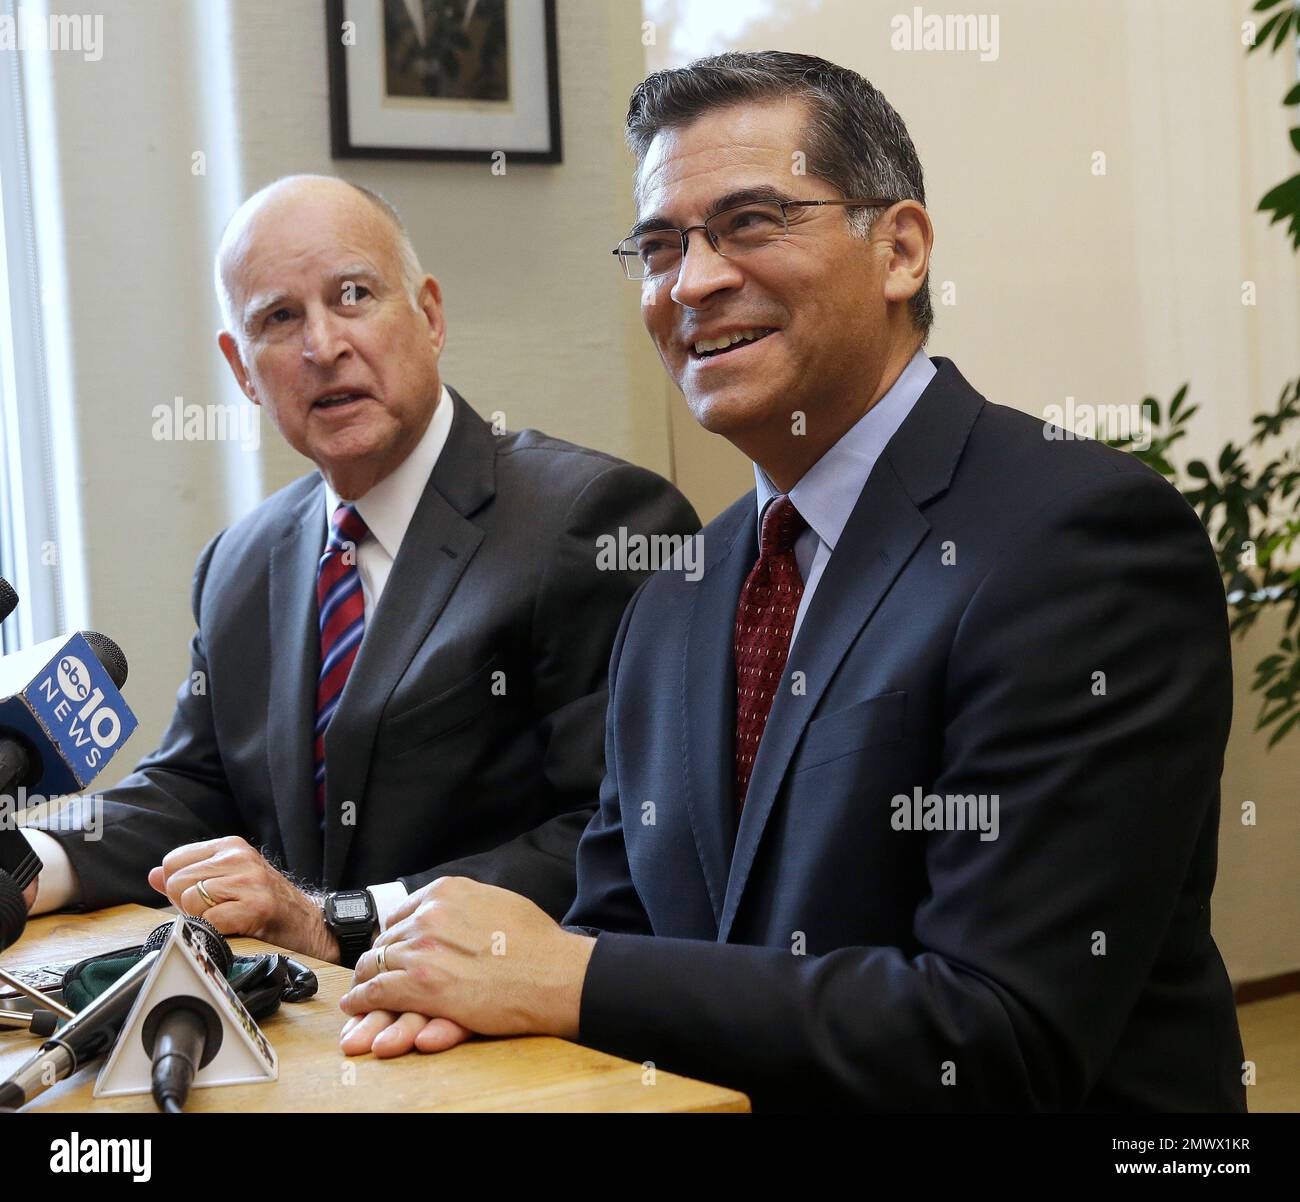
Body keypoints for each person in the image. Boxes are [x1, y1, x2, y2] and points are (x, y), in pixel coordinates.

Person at [336, 53, 1247, 1111]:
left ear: (899, 248)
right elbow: (623, 939)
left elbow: (998, 1032)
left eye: (754, 222)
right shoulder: (676, 589)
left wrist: (563, 974)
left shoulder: (1078, 539)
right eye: (660, 244)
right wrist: (453, 990)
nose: (695, 279)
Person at [19, 175, 699, 998]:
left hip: (513, 1037)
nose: (323, 345)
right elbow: (196, 787)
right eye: (278, 318)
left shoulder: (594, 518)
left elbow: (618, 837)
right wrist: (30, 863)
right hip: (310, 1039)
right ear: (241, 369)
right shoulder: (243, 558)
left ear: (432, 315)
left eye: (354, 296)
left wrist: (335, 918)